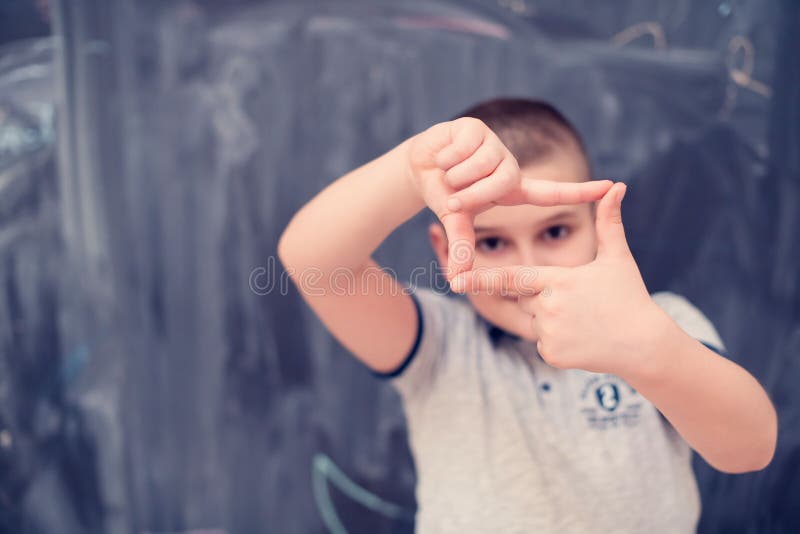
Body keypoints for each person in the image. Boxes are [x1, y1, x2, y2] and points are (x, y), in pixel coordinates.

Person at [277, 97, 777, 532]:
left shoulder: (660, 325)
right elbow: (313, 262)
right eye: (492, 241)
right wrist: (410, 173)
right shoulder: (440, 347)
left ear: (598, 224)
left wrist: (651, 350)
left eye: (555, 233)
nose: (529, 268)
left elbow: (750, 449)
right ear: (447, 248)